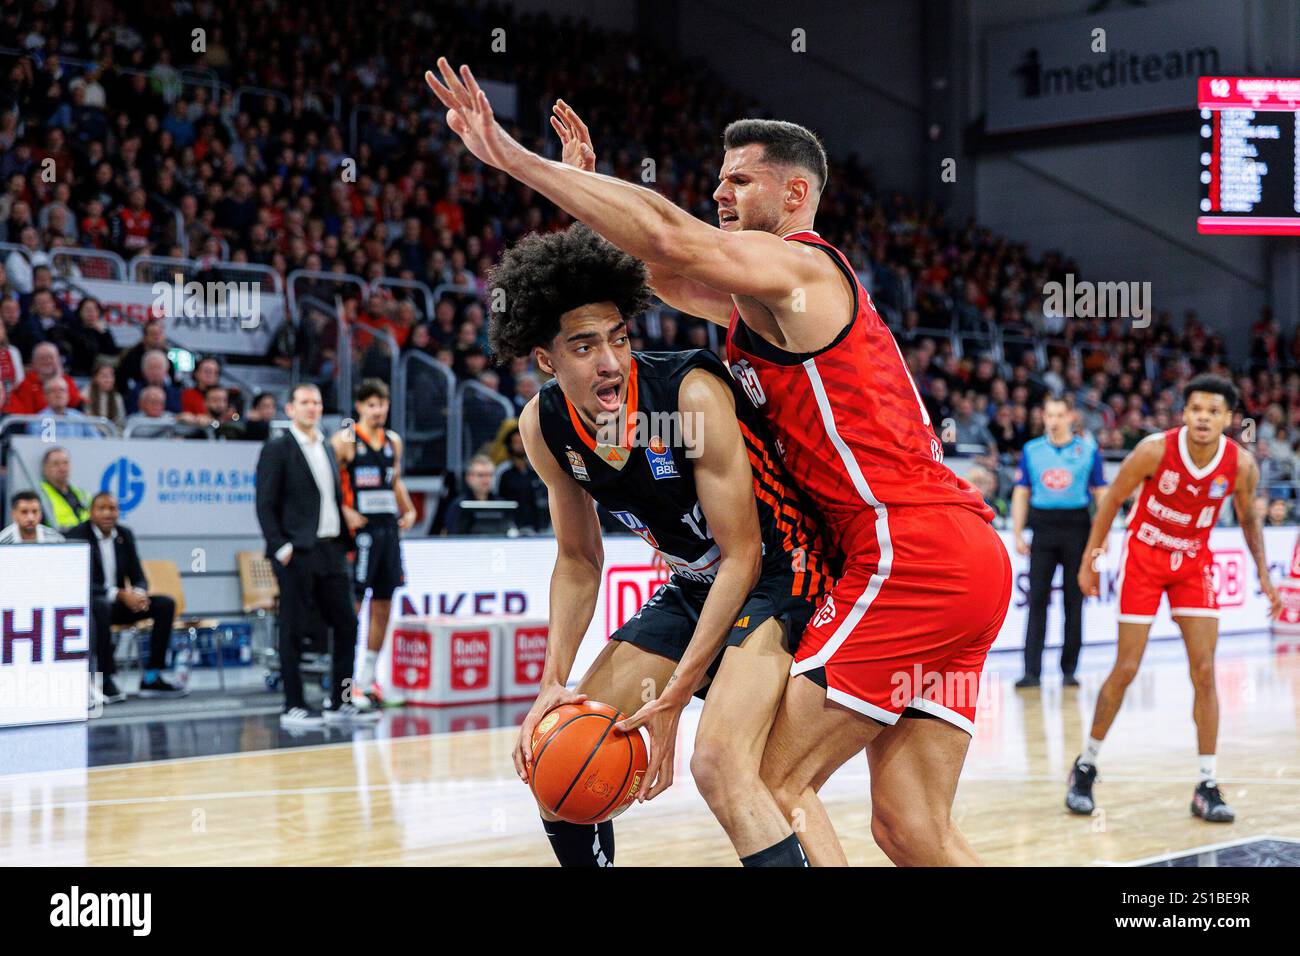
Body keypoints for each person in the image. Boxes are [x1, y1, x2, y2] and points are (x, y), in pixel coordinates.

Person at [431, 68, 1006, 865]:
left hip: (906, 552)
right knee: (912, 828)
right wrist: (582, 191)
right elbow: (658, 270)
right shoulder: (761, 306)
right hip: (960, 559)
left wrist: (514, 159)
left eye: (739, 180)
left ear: (795, 194)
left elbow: (671, 239)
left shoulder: (802, 269)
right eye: (718, 179)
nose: (719, 192)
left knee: (760, 780)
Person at [496, 223, 830, 867]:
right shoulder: (543, 424)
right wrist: (552, 682)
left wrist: (676, 692)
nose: (610, 361)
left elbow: (743, 555)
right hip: (696, 584)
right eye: (585, 346)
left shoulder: (688, 395)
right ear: (546, 360)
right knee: (558, 760)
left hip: (782, 573)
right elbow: (578, 560)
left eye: (619, 338)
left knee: (722, 764)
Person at [1072, 375, 1281, 823]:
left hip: (1192, 564)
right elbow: (1111, 501)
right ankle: (1086, 764)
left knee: (1205, 672)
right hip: (1144, 559)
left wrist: (1264, 575)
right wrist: (1092, 558)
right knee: (1126, 668)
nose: (1203, 417)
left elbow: (1249, 520)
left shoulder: (1241, 465)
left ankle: (1207, 783)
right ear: (1184, 413)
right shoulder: (1153, 450)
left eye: (1213, 411)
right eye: (1196, 409)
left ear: (1228, 418)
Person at [255, 382, 377, 728]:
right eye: (305, 402)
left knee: (347, 624)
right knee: (292, 628)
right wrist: (281, 547)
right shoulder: (278, 447)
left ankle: (340, 700)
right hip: (297, 551)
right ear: (290, 409)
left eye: (317, 403)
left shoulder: (325, 445)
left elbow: (331, 498)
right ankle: (293, 704)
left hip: (331, 548)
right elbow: (264, 503)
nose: (312, 408)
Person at [330, 379, 416, 708]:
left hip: (387, 530)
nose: (378, 411)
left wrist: (408, 509)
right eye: (371, 405)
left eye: (382, 404)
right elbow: (326, 483)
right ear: (359, 407)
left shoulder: (393, 441)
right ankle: (345, 680)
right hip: (360, 533)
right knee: (352, 605)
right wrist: (344, 511)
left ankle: (368, 679)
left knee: (383, 604)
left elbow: (394, 481)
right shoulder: (345, 440)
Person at [1010, 396, 1106, 688]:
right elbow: (1021, 492)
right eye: (1049, 415)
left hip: (1077, 527)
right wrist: (1017, 532)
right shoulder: (1032, 450)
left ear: (1070, 417)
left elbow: (1101, 494)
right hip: (1043, 526)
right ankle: (1031, 672)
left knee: (1073, 601)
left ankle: (1069, 670)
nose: (1054, 421)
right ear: (1043, 417)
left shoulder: (1088, 451)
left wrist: (1102, 535)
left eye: (1059, 415)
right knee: (1037, 600)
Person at [67, 492, 187, 701]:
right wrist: (119, 594)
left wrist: (138, 595)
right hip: (92, 607)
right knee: (101, 606)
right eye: (102, 508)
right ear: (91, 512)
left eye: (112, 509)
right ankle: (106, 679)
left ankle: (152, 677)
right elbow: (80, 582)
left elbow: (138, 576)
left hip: (121, 605)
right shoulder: (77, 535)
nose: (108, 513)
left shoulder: (125, 535)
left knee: (165, 604)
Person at [3, 342, 83, 414]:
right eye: (42, 358)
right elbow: (22, 417)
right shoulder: (25, 386)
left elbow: (78, 405)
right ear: (33, 363)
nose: (46, 361)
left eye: (50, 357)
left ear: (58, 360)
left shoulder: (67, 381)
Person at [494, 424, 547, 531]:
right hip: (510, 524)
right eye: (516, 442)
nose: (520, 445)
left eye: (522, 442)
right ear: (510, 445)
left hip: (536, 525)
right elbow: (496, 495)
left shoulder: (536, 469)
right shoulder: (502, 471)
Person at [441, 454, 505, 534]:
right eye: (480, 475)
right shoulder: (459, 506)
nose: (486, 480)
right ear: (468, 478)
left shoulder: (501, 504)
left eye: (490, 475)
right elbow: (453, 536)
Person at [27, 376, 101, 439]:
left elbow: (97, 441)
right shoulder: (37, 421)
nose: (58, 395)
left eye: (62, 390)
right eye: (53, 391)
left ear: (68, 395)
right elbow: (37, 447)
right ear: (45, 397)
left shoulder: (79, 418)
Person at [39, 446, 91, 532]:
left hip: (85, 538)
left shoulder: (82, 494)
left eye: (66, 463)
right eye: (56, 464)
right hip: (58, 539)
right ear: (45, 469)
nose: (62, 468)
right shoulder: (40, 495)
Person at [0, 490, 65, 543]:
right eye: (24, 512)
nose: (30, 518)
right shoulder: (3, 541)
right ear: (13, 514)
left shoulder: (55, 539)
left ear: (41, 513)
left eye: (35, 511)